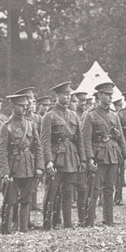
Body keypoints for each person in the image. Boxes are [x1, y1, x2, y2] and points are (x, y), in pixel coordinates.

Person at [81, 82, 126, 227]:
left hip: (113, 156)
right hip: (98, 157)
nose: (109, 98)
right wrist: (89, 158)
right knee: (94, 190)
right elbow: (86, 140)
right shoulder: (90, 115)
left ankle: (109, 219)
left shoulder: (114, 115)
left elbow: (121, 138)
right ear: (99, 95)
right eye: (107, 95)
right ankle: (89, 221)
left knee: (109, 189)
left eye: (111, 95)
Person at [41, 82, 87, 229]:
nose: (68, 98)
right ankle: (48, 223)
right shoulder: (49, 116)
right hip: (56, 159)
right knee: (52, 192)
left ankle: (67, 223)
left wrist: (83, 159)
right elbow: (45, 141)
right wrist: (48, 161)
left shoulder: (73, 115)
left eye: (69, 95)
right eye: (65, 95)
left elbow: (79, 140)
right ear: (57, 96)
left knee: (68, 192)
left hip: (71, 158)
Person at [0, 93, 43, 233]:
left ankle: (23, 228)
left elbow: (38, 146)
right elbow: (2, 151)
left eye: (25, 105)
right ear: (12, 106)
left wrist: (40, 166)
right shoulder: (6, 126)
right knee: (10, 200)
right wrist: (4, 172)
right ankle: (6, 229)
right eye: (20, 106)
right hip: (13, 167)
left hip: (29, 165)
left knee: (26, 199)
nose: (24, 108)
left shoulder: (30, 124)